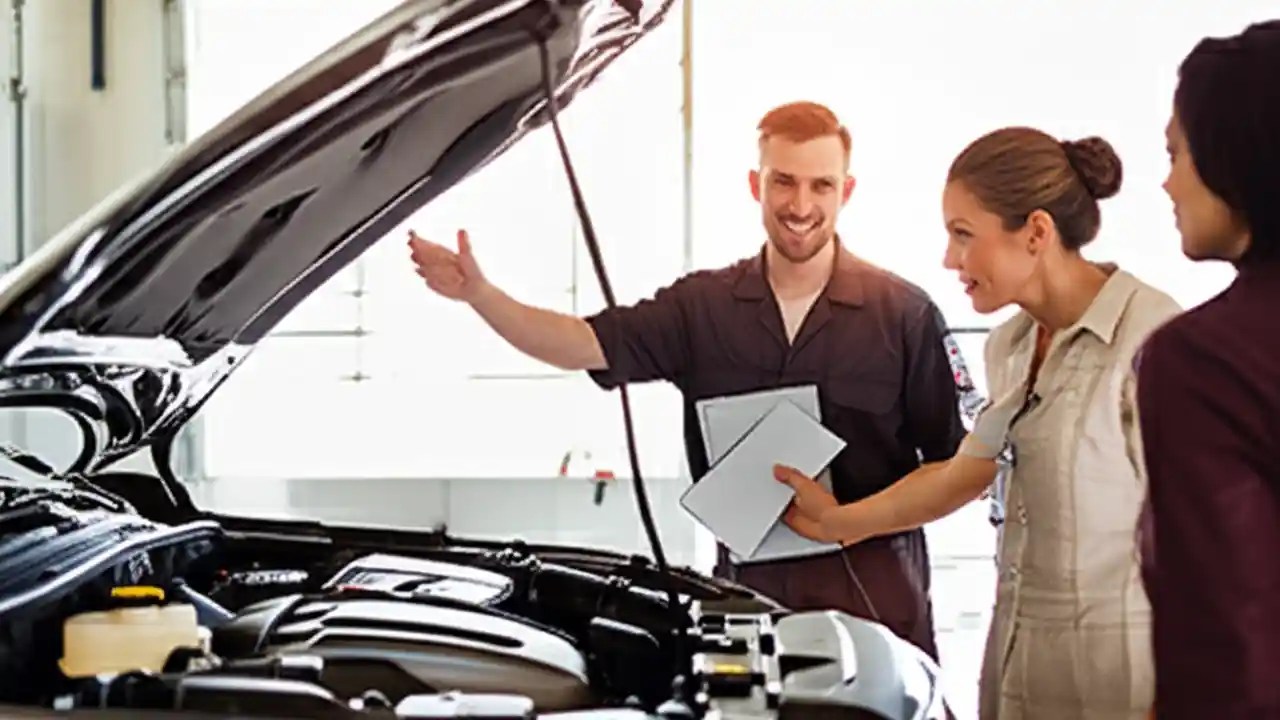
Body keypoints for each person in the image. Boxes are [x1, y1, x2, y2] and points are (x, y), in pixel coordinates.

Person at [406, 100, 978, 659]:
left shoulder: (904, 315)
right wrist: (480, 295)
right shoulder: (701, 308)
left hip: (878, 621)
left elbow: (957, 470)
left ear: (845, 191)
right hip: (748, 614)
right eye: (784, 182)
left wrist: (846, 524)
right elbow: (579, 342)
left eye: (821, 185)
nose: (801, 204)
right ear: (756, 185)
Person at [775, 126, 1182, 720]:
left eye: (963, 235)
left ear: (1036, 233)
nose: (949, 258)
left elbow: (1203, 543)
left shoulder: (1152, 340)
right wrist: (840, 521)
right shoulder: (1011, 347)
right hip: (1017, 666)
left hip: (1122, 683)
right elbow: (968, 469)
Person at [1134, 20, 1280, 720]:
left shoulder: (1200, 362)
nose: (1166, 183)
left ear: (1235, 151)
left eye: (1175, 152)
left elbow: (1225, 664)